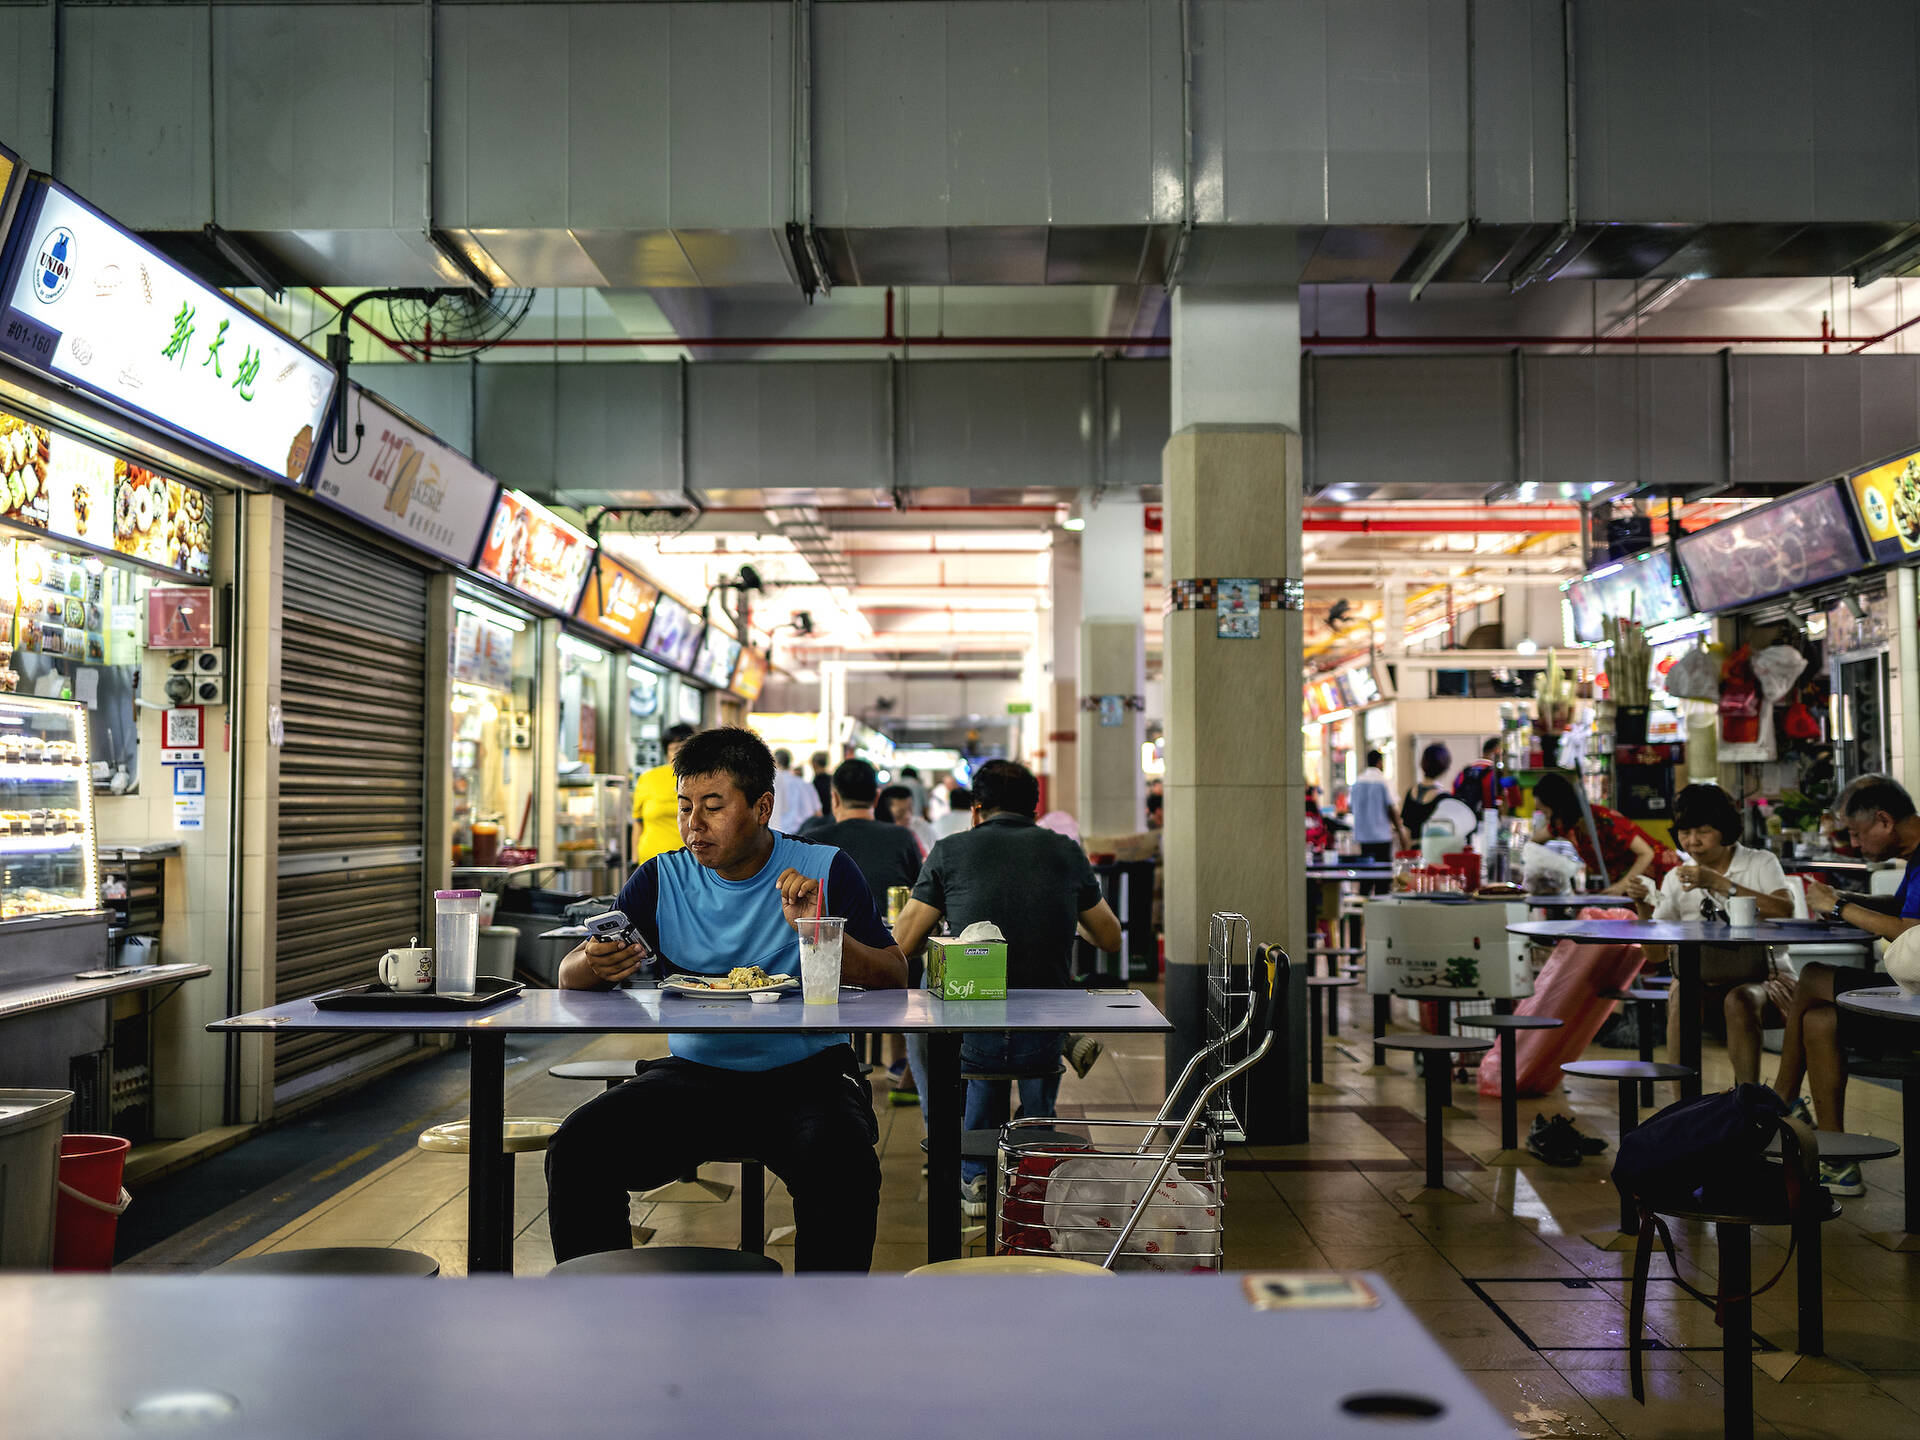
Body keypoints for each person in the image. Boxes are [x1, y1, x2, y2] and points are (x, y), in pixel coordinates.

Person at [544, 728, 906, 1271]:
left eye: (713, 807)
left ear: (763, 808)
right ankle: (602, 1307)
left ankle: (828, 1318)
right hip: (695, 1075)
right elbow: (570, 973)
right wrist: (595, 963)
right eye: (684, 807)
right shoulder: (662, 878)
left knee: (843, 1168)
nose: (694, 823)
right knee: (578, 1148)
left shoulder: (825, 869)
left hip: (809, 1075)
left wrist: (817, 933)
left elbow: (894, 976)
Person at [892, 759, 1123, 1217]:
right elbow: (1110, 938)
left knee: (940, 998)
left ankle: (971, 1169)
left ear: (976, 810)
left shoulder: (950, 851)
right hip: (1042, 1042)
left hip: (973, 1045)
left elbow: (902, 944)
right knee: (1036, 1005)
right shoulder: (1065, 851)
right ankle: (1037, 1161)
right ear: (1034, 812)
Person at [1767, 775, 1920, 1196]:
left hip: (1917, 1005)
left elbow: (1910, 932)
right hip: (1911, 992)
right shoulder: (1914, 858)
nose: (1853, 844)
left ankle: (1782, 1097)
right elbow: (1898, 908)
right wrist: (1847, 899)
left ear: (1884, 820)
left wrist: (1838, 907)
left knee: (1814, 975)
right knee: (1819, 1019)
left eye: (1856, 832)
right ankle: (1838, 1160)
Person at [1634, 784, 1795, 1090]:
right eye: (1685, 832)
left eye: (1703, 831)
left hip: (1769, 977)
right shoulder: (1675, 878)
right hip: (1700, 979)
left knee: (1740, 1000)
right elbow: (1655, 955)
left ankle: (1747, 1100)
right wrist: (1643, 907)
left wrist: (1720, 884)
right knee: (1682, 993)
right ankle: (1683, 1104)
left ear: (1725, 829)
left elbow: (1784, 909)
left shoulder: (1760, 862)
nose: (1692, 841)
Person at [809, 758, 929, 1106]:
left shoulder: (813, 838)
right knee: (907, 957)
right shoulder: (901, 837)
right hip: (890, 962)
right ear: (877, 798)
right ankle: (904, 1066)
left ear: (834, 797)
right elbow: (918, 892)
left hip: (828, 964)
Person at [1529, 770, 1675, 895]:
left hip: (1659, 876)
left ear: (1558, 807)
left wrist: (1622, 886)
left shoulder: (1604, 820)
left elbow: (1646, 853)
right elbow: (1534, 841)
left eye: (1545, 812)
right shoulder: (1564, 825)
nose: (1545, 818)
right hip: (1631, 883)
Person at [630, 723, 696, 864]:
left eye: (684, 748)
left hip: (691, 861)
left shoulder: (702, 779)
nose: (679, 754)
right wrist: (634, 860)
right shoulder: (648, 779)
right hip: (651, 861)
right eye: (674, 749)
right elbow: (638, 823)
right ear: (666, 752)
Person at [1349, 750, 1408, 886]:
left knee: (1365, 877)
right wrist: (1400, 831)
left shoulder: (1357, 782)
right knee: (1382, 878)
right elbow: (1391, 808)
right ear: (1380, 762)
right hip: (1382, 836)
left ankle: (1364, 898)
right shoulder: (1383, 781)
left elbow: (1351, 807)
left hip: (1363, 837)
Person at [1400, 743, 1452, 839]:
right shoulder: (1445, 799)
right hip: (1435, 847)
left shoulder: (1410, 792)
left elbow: (1406, 828)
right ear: (1445, 767)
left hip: (1413, 847)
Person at [769, 747, 821, 833]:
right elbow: (818, 812)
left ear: (775, 762)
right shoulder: (805, 784)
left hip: (775, 834)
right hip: (803, 834)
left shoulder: (770, 784)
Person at [1451, 737, 1507, 816]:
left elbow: (1454, 797)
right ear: (1496, 751)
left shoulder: (1464, 772)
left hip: (1465, 818)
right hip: (1490, 819)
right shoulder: (1496, 774)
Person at [882, 782, 937, 856]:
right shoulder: (883, 834)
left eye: (910, 809)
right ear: (886, 812)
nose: (907, 816)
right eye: (900, 813)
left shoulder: (921, 826)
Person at [809, 750, 834, 814]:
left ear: (815, 764)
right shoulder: (833, 780)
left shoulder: (815, 783)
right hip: (833, 814)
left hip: (821, 816)